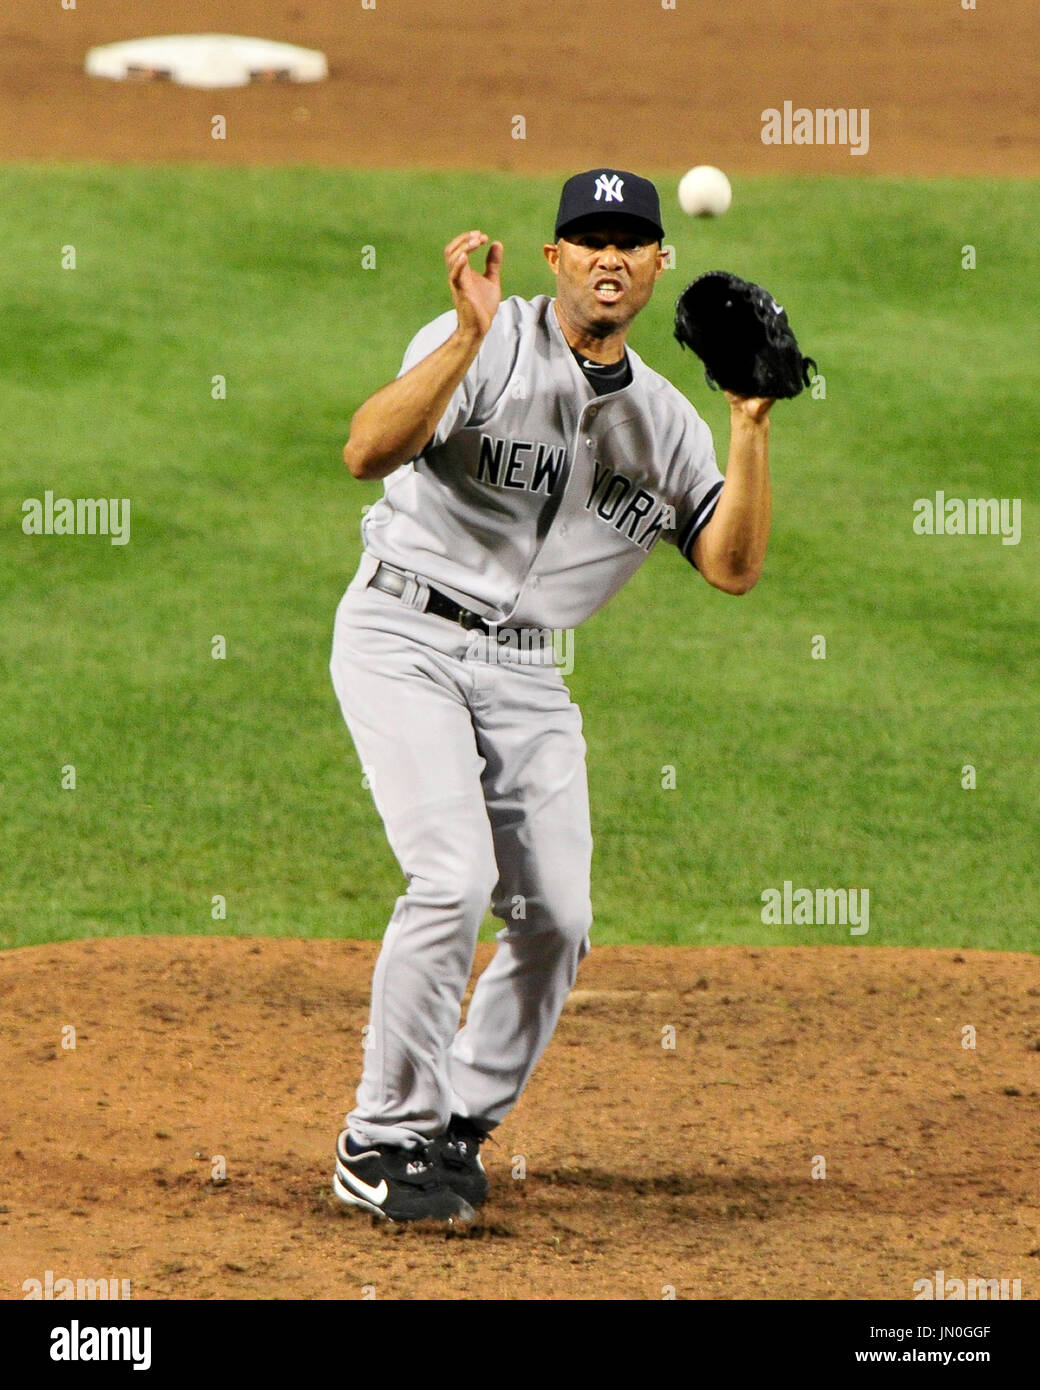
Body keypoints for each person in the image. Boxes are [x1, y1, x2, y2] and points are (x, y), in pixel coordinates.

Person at [329, 169, 774, 1222]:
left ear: (658, 264)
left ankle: (453, 1125)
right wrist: (461, 340)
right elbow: (363, 450)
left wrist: (750, 422)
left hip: (529, 671)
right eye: (588, 238)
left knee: (557, 915)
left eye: (630, 240)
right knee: (450, 878)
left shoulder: (666, 423)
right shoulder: (480, 342)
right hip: (405, 631)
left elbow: (731, 564)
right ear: (553, 259)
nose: (608, 256)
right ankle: (376, 1137)